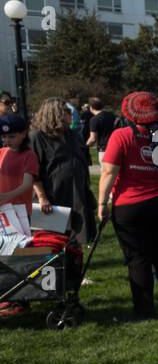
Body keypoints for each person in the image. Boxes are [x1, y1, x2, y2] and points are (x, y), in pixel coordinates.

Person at [97, 92, 158, 320]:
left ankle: (145, 308)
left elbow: (109, 171)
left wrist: (102, 202)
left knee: (138, 258)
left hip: (131, 205)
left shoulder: (121, 136)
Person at [0, 114, 51, 318]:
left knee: (19, 254)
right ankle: (8, 294)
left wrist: (6, 197)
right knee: (4, 253)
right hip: (3, 212)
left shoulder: (28, 155)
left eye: (11, 136)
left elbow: (28, 183)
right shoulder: (2, 152)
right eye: (4, 137)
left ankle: (21, 298)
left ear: (23, 134)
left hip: (20, 212)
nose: (7, 141)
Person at [29, 97, 96, 246]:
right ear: (55, 113)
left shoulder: (72, 135)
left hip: (76, 194)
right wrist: (42, 197)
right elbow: (32, 171)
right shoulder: (37, 137)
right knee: (53, 241)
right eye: (67, 111)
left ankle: (74, 264)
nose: (71, 114)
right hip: (52, 196)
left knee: (76, 239)